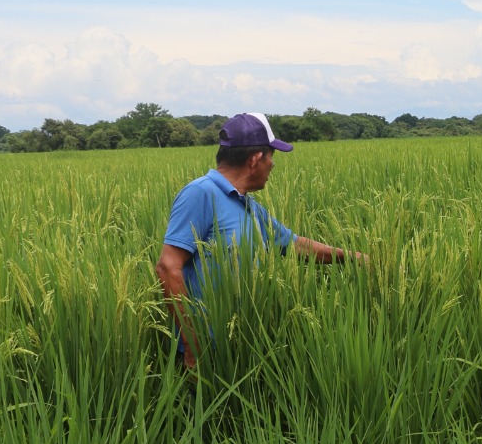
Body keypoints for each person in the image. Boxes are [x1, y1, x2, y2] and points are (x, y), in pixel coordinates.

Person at [155, 112, 366, 368]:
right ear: (255, 159)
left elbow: (295, 245)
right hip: (205, 352)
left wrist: (355, 258)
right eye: (271, 156)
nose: (273, 165)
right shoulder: (200, 193)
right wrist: (193, 344)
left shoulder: (249, 207)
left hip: (240, 347)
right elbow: (168, 266)